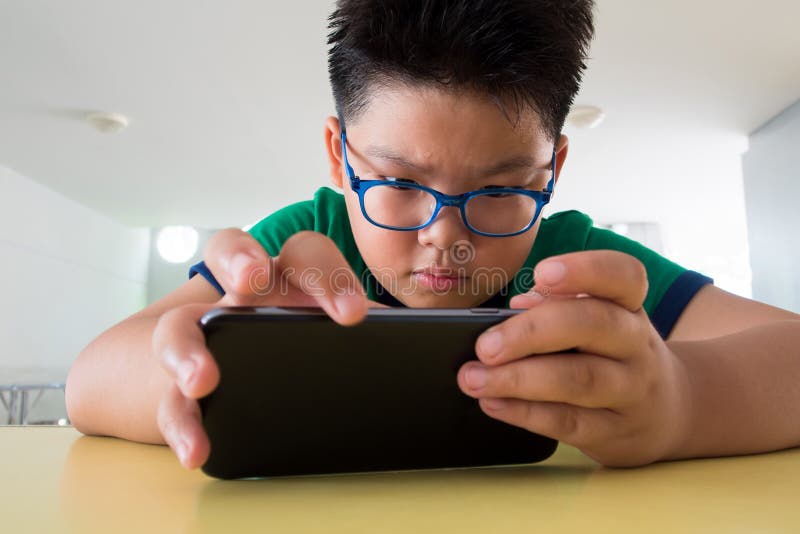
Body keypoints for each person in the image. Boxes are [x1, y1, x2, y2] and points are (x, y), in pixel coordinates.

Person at [66, 0, 800, 470]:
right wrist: (205, 363)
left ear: (555, 169)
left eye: (507, 190)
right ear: (338, 155)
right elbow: (90, 378)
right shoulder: (302, 243)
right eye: (397, 184)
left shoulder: (573, 266)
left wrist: (683, 400)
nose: (444, 238)